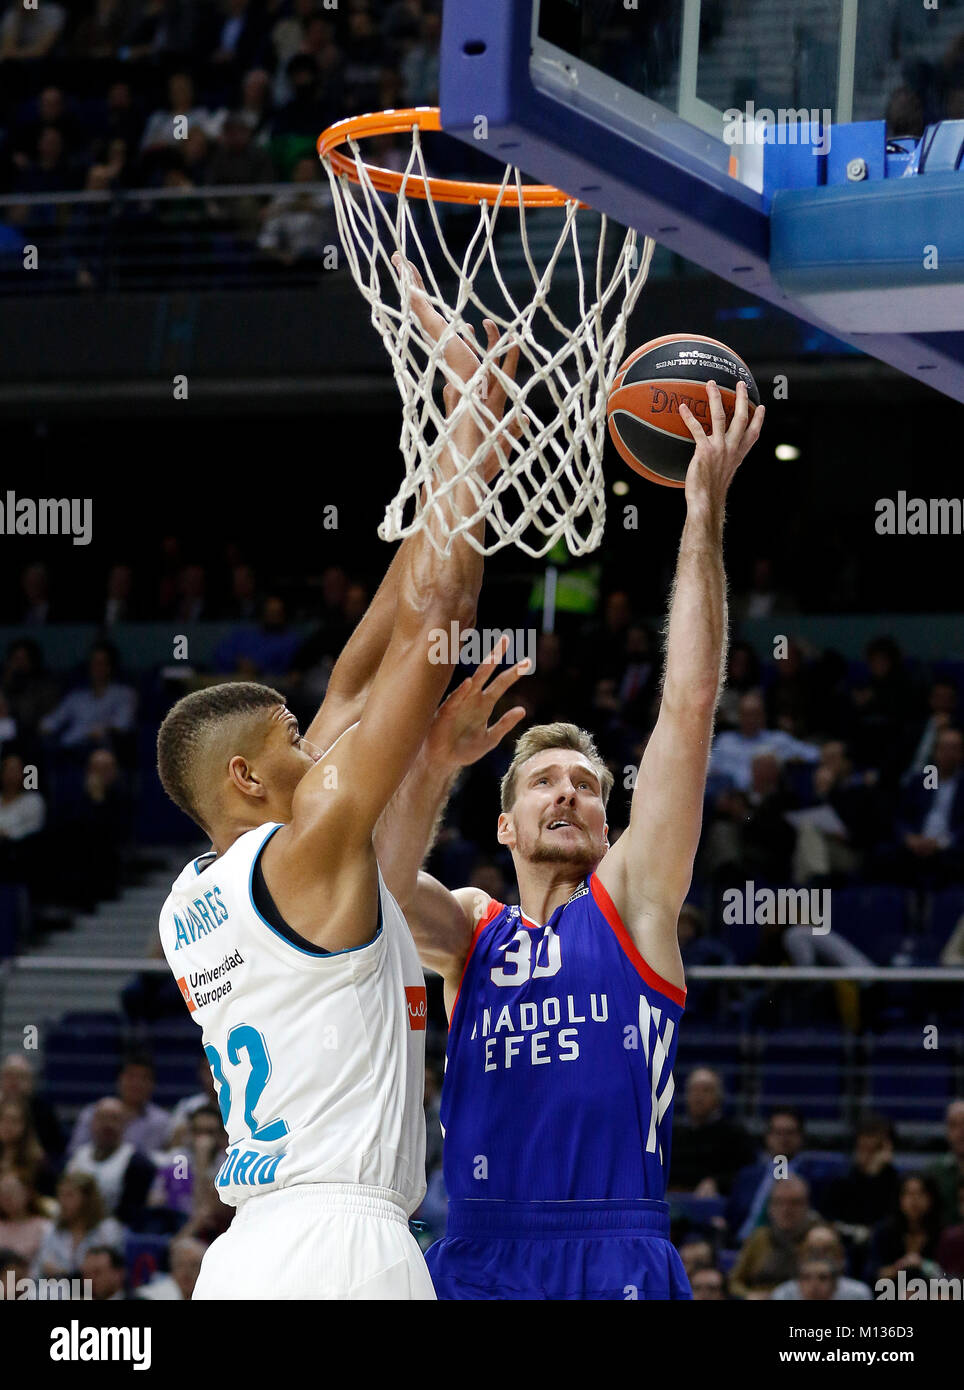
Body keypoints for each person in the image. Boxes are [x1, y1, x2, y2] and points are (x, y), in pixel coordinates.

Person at [154, 260, 520, 1299]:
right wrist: (478, 423)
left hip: (244, 1255)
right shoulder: (305, 846)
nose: (317, 746)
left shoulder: (199, 893)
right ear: (247, 778)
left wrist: (460, 427)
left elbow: (365, 665)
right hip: (342, 1247)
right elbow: (438, 620)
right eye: (294, 745)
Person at [374, 381, 765, 1298]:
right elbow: (377, 893)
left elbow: (688, 708)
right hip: (476, 1248)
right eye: (545, 781)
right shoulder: (474, 930)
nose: (569, 793)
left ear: (608, 820)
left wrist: (701, 514)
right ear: (504, 824)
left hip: (611, 1248)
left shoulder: (631, 901)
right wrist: (431, 765)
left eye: (587, 787)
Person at [67, 1099, 156, 1226]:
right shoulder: (79, 1155)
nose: (107, 1125)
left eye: (114, 1119)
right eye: (102, 1118)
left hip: (116, 1230)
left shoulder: (138, 1163)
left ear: (125, 1124)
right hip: (74, 1225)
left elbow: (132, 1216)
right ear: (92, 1122)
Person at [728, 1175, 819, 1298]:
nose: (786, 1209)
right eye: (779, 1202)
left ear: (806, 1206)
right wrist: (749, 1294)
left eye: (794, 1203)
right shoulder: (759, 1237)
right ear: (770, 1207)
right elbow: (734, 1282)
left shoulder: (818, 1238)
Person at [670, 1068, 756, 1196]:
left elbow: (748, 1173)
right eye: (694, 1090)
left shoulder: (735, 1134)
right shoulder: (673, 1134)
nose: (698, 1097)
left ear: (718, 1097)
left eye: (706, 1090)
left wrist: (717, 1183)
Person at [68, 1058, 170, 1157]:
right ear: (119, 1079)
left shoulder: (162, 1121)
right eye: (131, 1076)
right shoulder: (93, 1112)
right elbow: (74, 1154)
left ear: (153, 1084)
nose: (136, 1083)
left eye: (144, 1078)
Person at [34, 1173, 125, 1278]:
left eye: (69, 1195)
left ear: (87, 1200)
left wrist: (64, 1274)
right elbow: (41, 1266)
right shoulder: (53, 1230)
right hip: (57, 1290)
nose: (62, 1202)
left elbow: (109, 1272)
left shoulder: (108, 1230)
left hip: (93, 1291)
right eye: (60, 1195)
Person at [770, 1224, 873, 1300]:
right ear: (801, 1255)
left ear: (840, 1256)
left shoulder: (857, 1294)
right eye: (812, 1250)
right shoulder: (784, 1294)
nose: (819, 1256)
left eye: (827, 1250)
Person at [0, 1173, 53, 1267]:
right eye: (2, 1193)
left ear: (27, 1193)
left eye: (12, 1192)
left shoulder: (43, 1227)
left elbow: (46, 1263)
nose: (7, 1197)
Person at [135, 1235, 205, 1299]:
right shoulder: (149, 1295)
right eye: (180, 1265)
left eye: (194, 1266)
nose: (187, 1272)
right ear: (172, 1266)